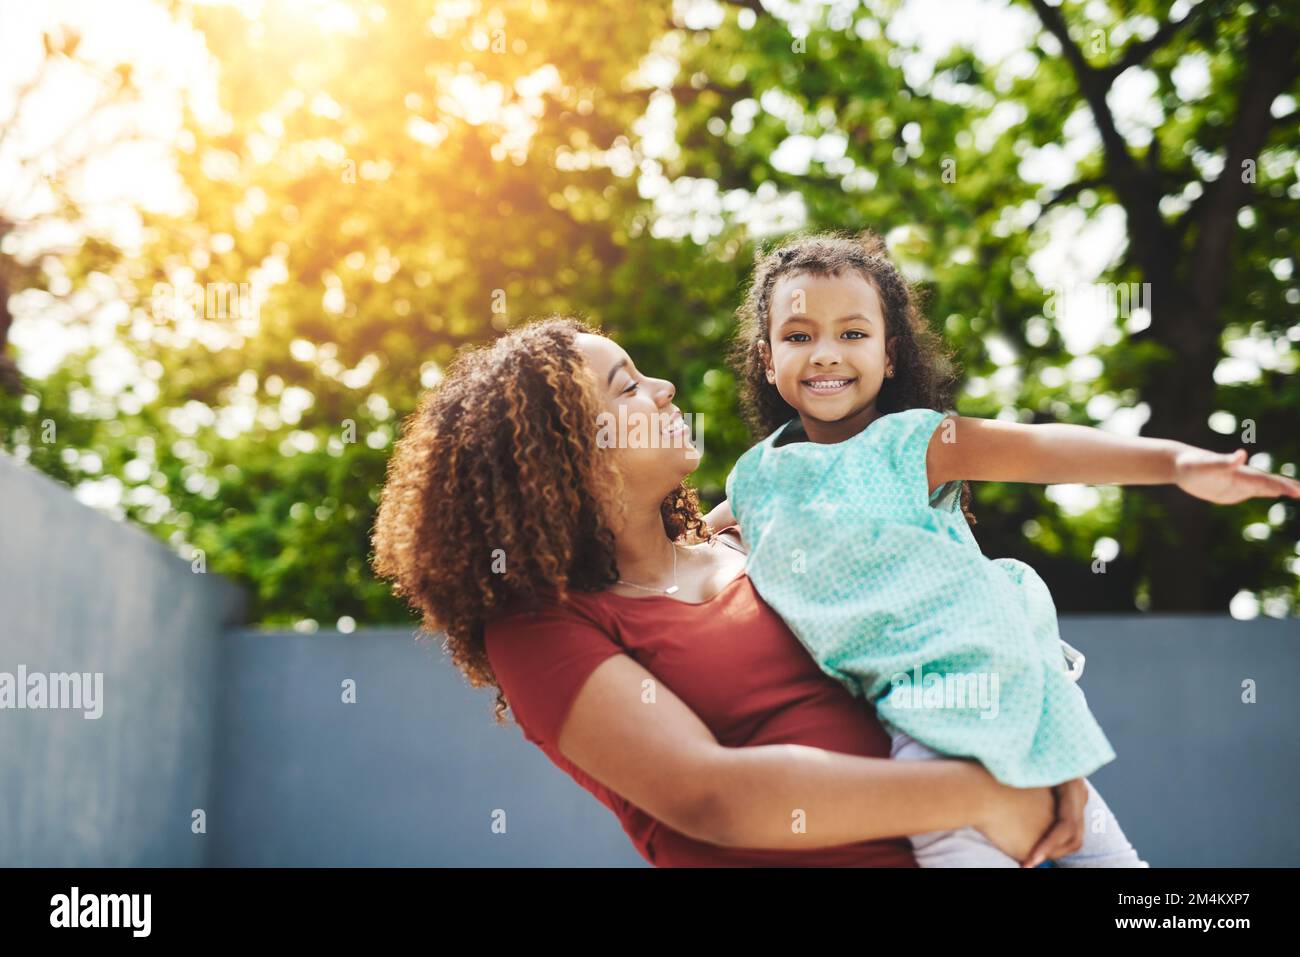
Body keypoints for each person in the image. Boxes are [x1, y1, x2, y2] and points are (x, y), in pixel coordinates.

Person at [371, 315, 1094, 867]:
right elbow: (709, 794)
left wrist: (1035, 754)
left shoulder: (757, 535)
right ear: (562, 450)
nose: (664, 389)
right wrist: (980, 793)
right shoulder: (539, 631)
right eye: (627, 385)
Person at [705, 230, 1300, 866]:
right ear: (767, 359)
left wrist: (1177, 462)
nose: (826, 354)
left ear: (890, 355)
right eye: (799, 336)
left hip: (963, 690)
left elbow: (1044, 450)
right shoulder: (754, 479)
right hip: (917, 705)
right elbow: (690, 539)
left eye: (853, 334)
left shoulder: (914, 443)